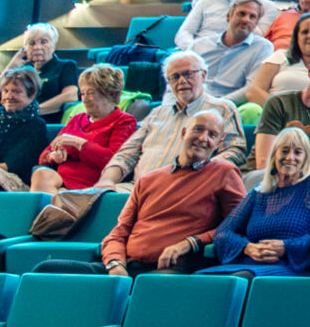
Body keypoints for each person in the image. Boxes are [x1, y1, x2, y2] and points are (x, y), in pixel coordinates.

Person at [96, 110, 245, 276]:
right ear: (183, 133)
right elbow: (118, 233)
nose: (203, 138)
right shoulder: (148, 180)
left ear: (218, 143)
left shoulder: (224, 173)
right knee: (62, 270)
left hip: (169, 269)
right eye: (198, 129)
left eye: (212, 135)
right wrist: (115, 264)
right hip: (124, 267)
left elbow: (236, 226)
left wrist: (190, 243)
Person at [201, 126, 310, 276]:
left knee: (238, 279)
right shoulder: (260, 192)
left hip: (290, 266)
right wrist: (247, 247)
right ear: (274, 156)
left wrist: (287, 247)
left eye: (297, 152)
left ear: (306, 158)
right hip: (249, 263)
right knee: (200, 280)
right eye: (284, 151)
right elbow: (223, 232)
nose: (290, 157)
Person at [101, 52, 248, 186]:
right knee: (85, 199)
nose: (182, 81)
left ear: (203, 75)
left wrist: (201, 173)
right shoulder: (157, 113)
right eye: (175, 77)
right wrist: (106, 181)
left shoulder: (222, 108)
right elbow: (127, 153)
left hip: (186, 188)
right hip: (137, 188)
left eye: (188, 74)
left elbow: (235, 151)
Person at [30, 65, 137, 193]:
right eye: (82, 93)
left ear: (110, 94)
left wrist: (78, 143)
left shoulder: (124, 121)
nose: (84, 99)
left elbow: (114, 161)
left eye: (90, 93)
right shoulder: (77, 119)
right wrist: (54, 156)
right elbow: (44, 156)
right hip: (61, 181)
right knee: (40, 174)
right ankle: (55, 208)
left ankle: (56, 208)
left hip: (92, 185)